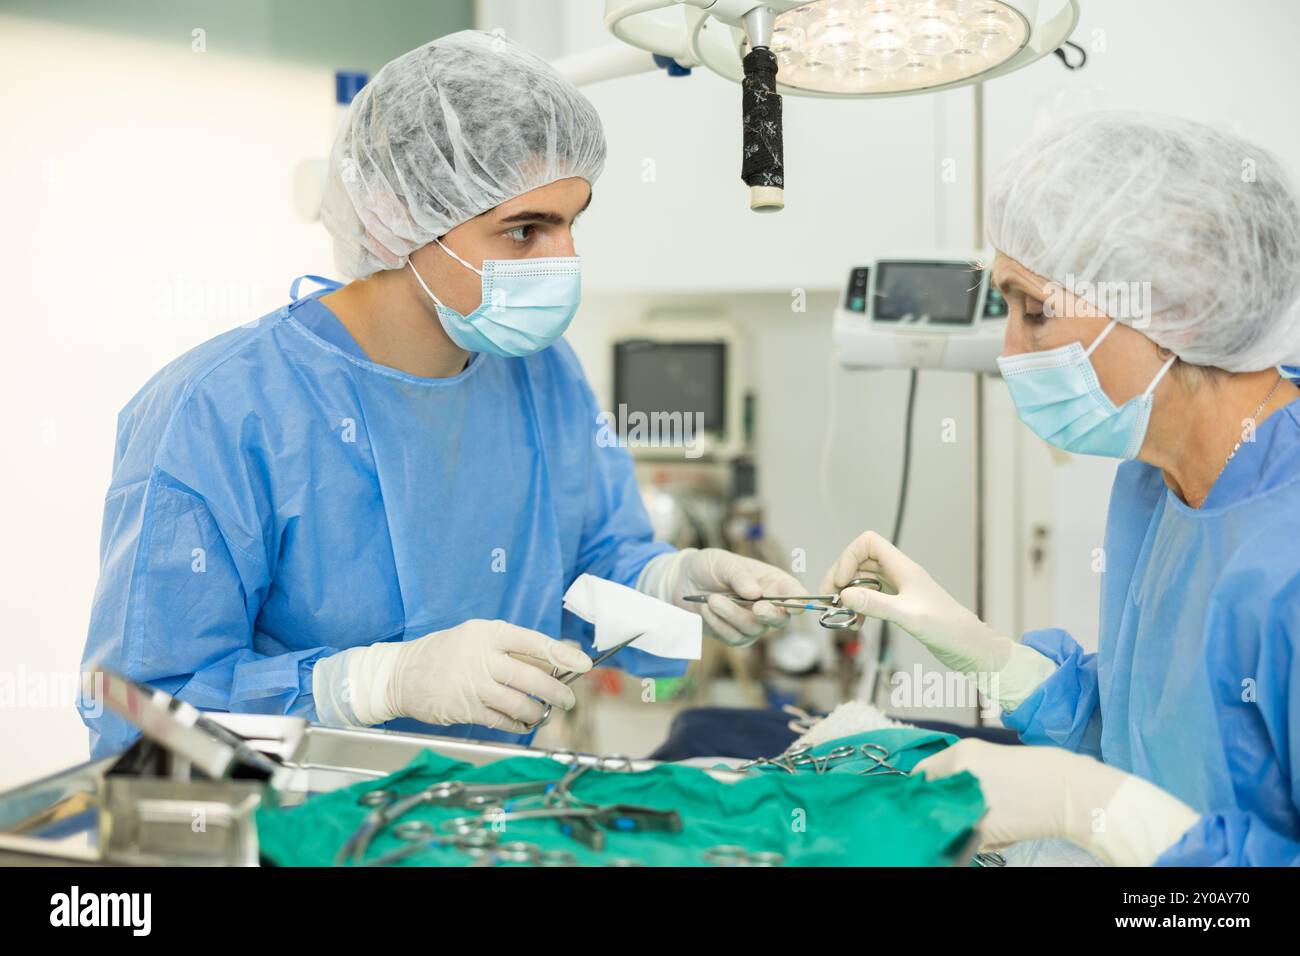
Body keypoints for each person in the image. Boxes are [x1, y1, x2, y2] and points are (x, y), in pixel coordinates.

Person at [79, 30, 803, 758]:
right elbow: (140, 716)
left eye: (570, 224)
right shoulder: (219, 411)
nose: (565, 262)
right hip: (296, 830)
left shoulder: (541, 374)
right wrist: (365, 684)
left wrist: (671, 585)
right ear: (401, 216)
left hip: (486, 816)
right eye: (524, 231)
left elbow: (586, 571)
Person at [823, 111, 1300, 866]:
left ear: (1170, 307)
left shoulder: (1287, 554)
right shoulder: (1157, 478)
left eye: (1035, 311)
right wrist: (988, 655)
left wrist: (1079, 802)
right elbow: (1148, 738)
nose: (1010, 350)